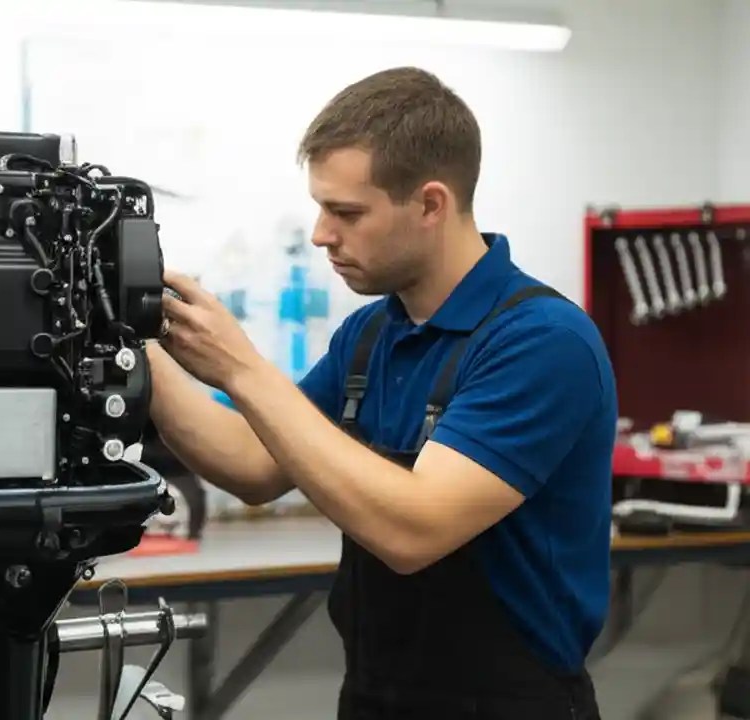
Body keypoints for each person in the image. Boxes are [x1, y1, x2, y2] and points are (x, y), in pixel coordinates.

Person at [147, 66, 617, 719]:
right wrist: (135, 347)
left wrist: (241, 369)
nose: (320, 234)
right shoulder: (371, 334)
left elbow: (412, 529)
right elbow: (252, 464)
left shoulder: (541, 341)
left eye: (346, 213)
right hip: (375, 695)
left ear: (430, 205)